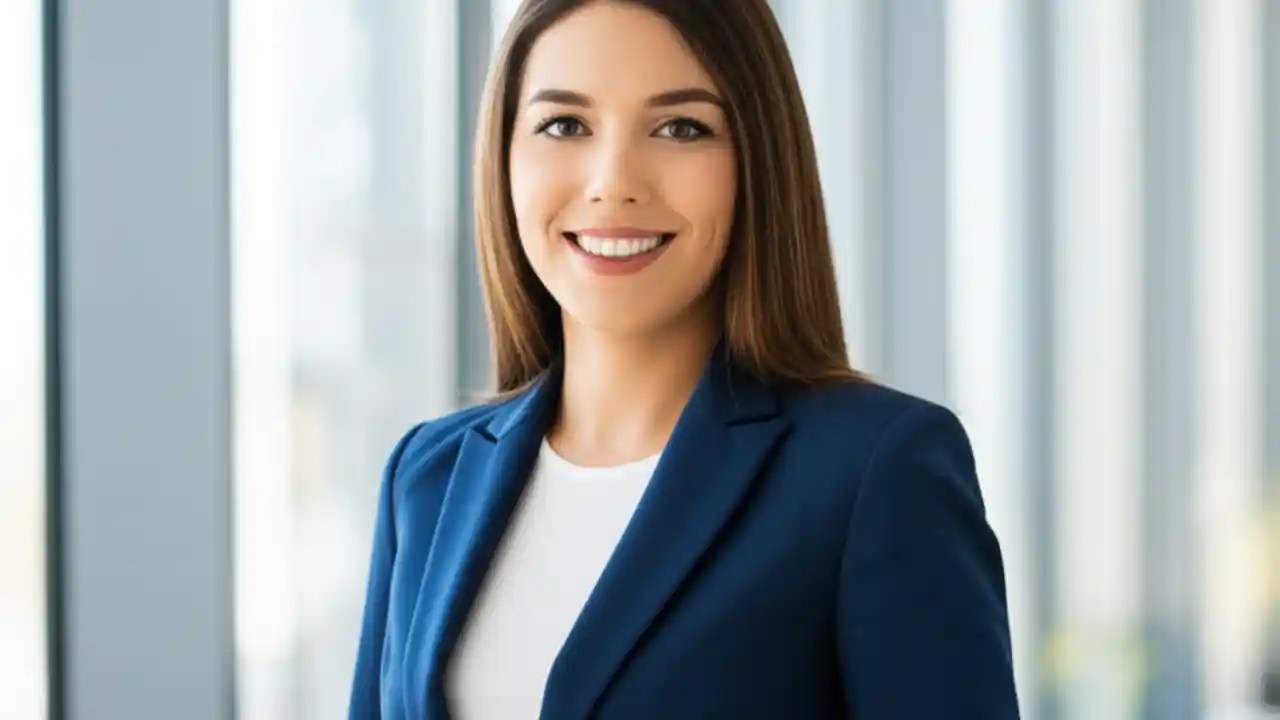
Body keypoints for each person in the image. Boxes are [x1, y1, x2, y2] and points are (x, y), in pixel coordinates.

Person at [348, 1, 1020, 718]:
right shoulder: (428, 476)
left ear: (756, 160)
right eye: (564, 125)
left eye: (679, 128)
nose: (613, 181)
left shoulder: (874, 472)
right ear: (503, 158)